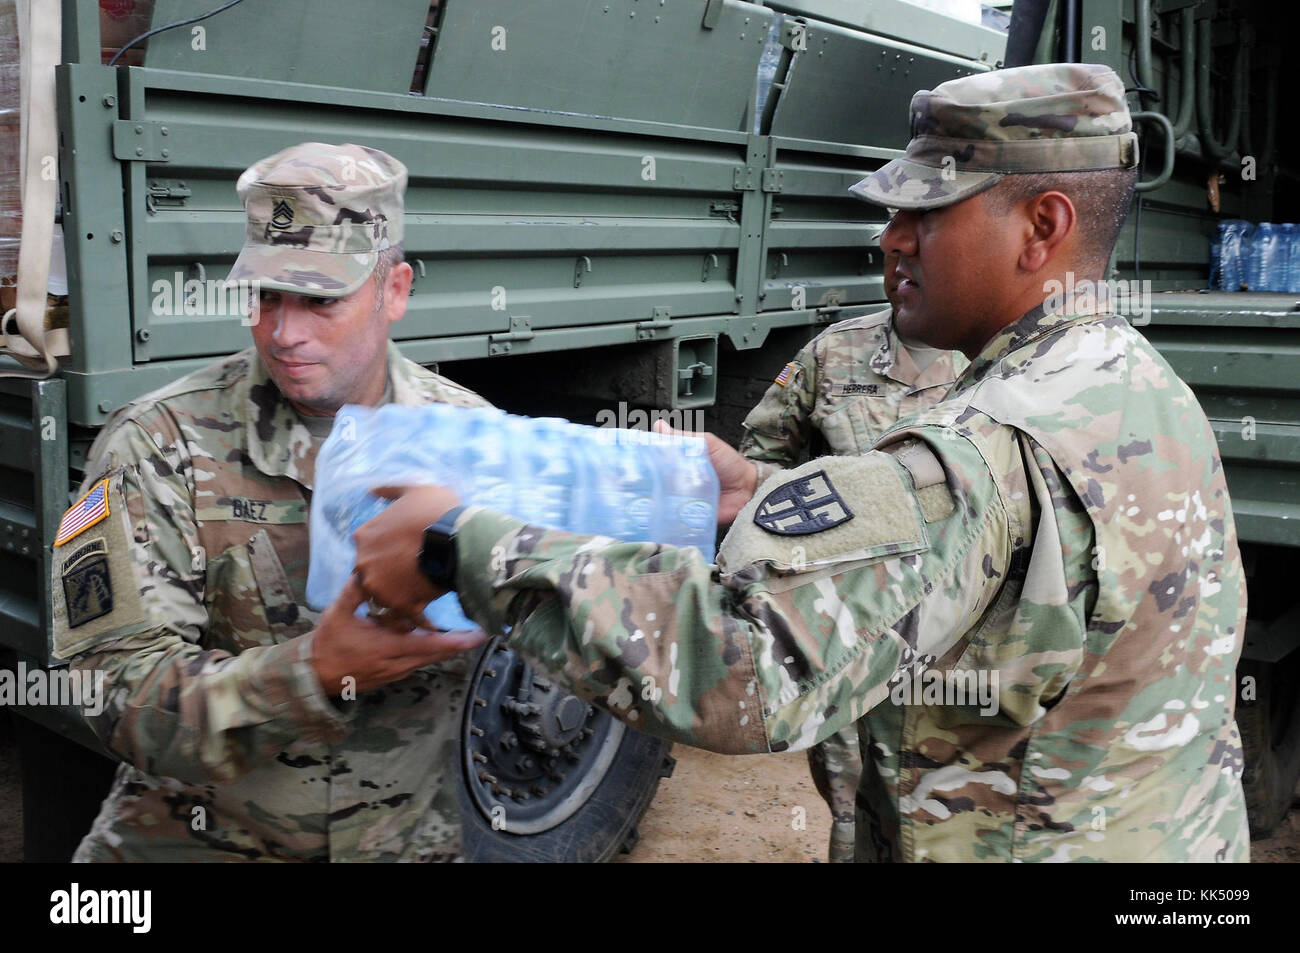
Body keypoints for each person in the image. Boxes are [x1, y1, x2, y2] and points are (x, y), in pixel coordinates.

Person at [352, 64, 1249, 862]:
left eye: (926, 210)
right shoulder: (1129, 382)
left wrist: (459, 546)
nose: (892, 238)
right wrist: (757, 493)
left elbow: (744, 670)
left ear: (1042, 226)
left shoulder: (986, 444)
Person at [50, 142, 488, 862]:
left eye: (321, 300)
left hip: (404, 843)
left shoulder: (476, 442)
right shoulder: (151, 442)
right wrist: (309, 672)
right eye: (263, 297)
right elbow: (106, 687)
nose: (284, 333)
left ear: (396, 289)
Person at [739, 255, 966, 862]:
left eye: (919, 259)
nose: (902, 270)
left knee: (947, 796)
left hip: (956, 628)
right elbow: (764, 456)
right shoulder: (834, 353)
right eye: (893, 260)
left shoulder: (997, 365)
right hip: (848, 624)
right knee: (849, 793)